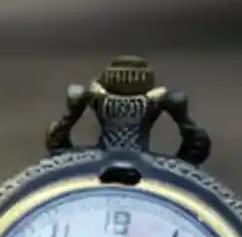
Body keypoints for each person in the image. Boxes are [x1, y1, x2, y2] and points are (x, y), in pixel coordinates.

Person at [44, 55, 212, 165]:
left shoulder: (96, 98)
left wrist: (74, 111)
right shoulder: (167, 167)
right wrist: (180, 115)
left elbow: (58, 145)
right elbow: (196, 150)